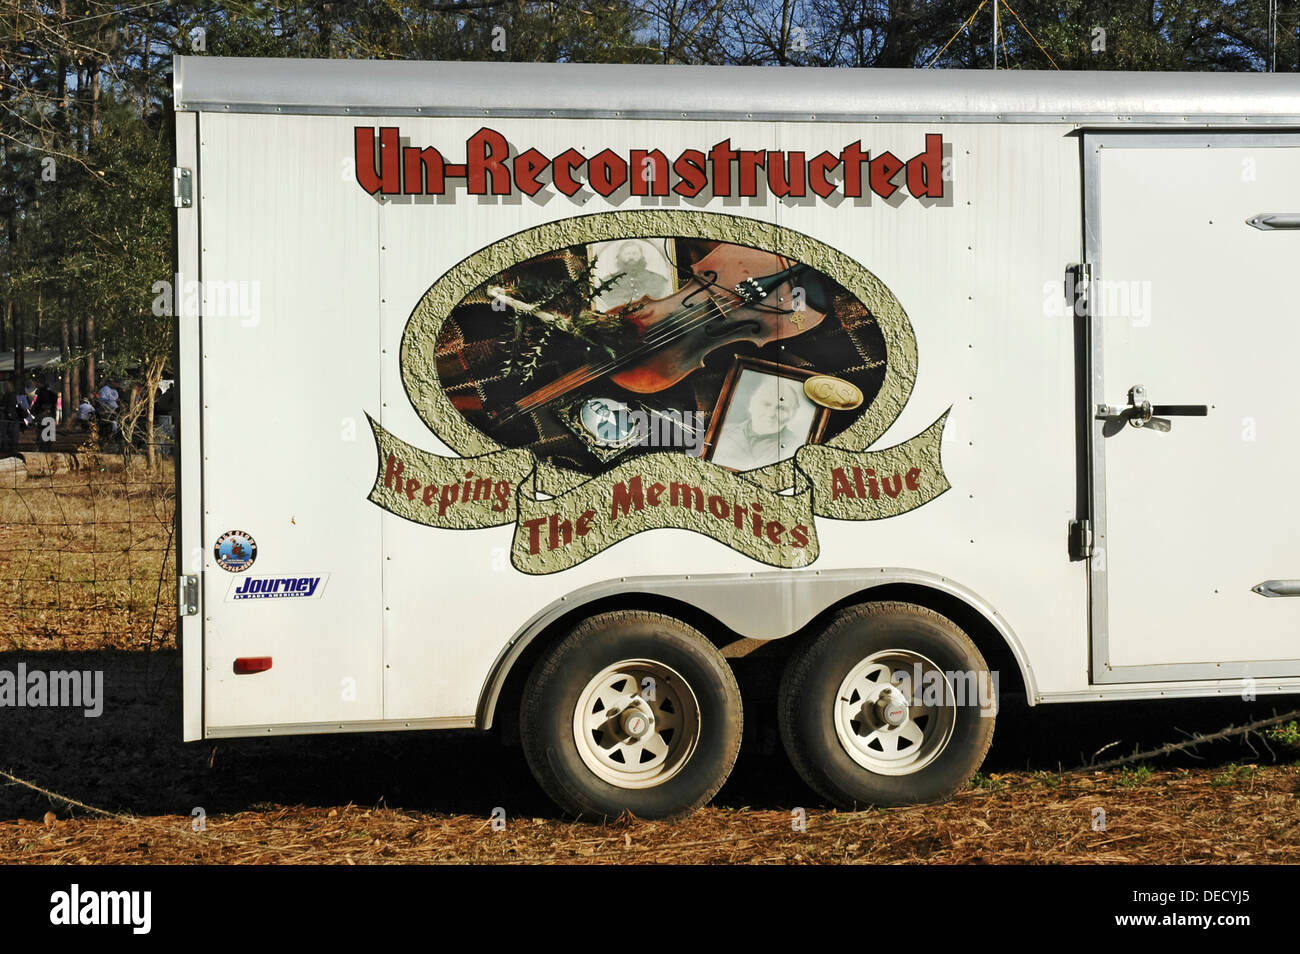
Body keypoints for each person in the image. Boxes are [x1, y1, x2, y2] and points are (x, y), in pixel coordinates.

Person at [711, 375, 807, 471]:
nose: (771, 413)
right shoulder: (722, 432)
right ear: (752, 405)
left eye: (781, 408)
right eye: (766, 404)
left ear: (792, 414)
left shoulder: (797, 448)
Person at [600, 241, 672, 308]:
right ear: (619, 257)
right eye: (627, 254)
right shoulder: (608, 282)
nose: (631, 257)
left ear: (641, 256)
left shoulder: (658, 280)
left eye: (635, 253)